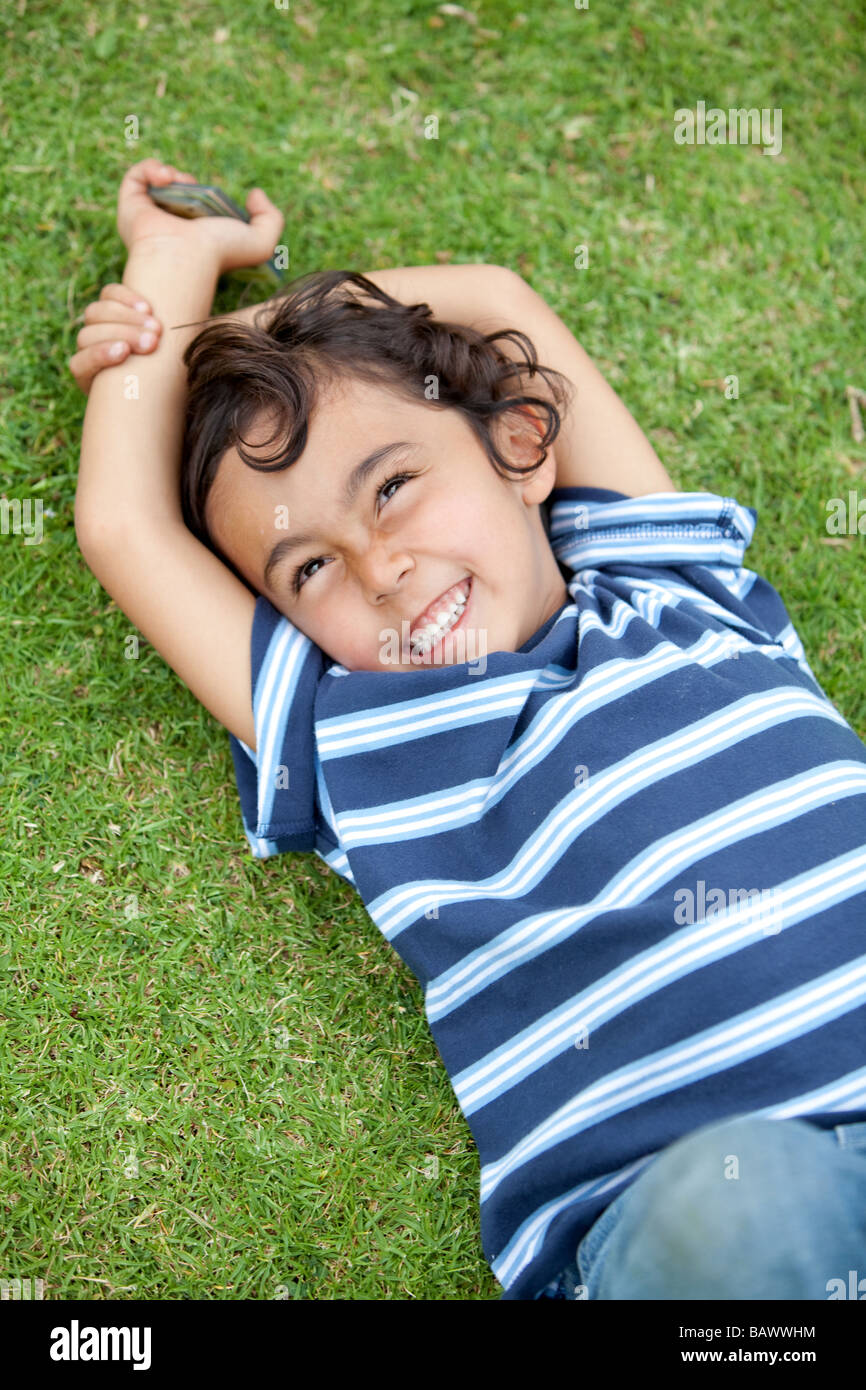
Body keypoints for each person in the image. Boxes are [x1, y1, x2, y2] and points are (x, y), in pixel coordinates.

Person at [70, 157, 866, 1300]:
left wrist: (224, 322)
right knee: (748, 1210)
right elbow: (122, 525)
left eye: (390, 485)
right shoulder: (358, 737)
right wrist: (170, 270)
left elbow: (496, 299)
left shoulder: (675, 584)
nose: (378, 568)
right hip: (704, 1230)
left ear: (521, 443)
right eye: (308, 568)